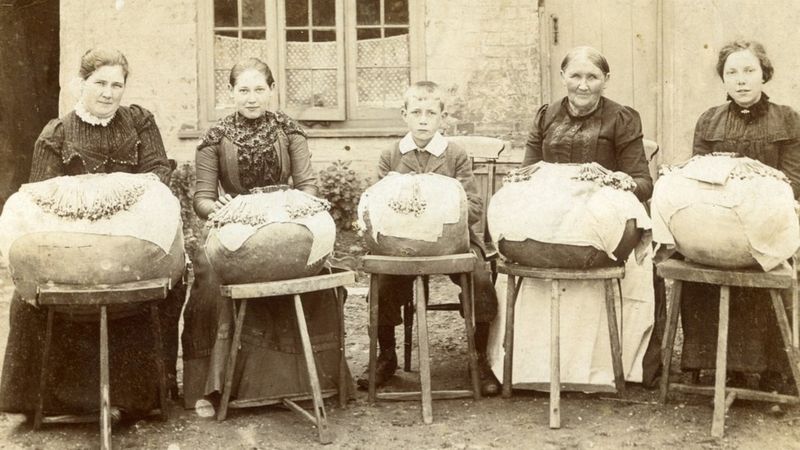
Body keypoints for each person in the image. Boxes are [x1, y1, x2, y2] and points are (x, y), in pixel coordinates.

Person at [0, 48, 184, 419]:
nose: (108, 93)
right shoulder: (57, 132)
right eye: (99, 83)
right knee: (32, 298)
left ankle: (138, 398)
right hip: (76, 242)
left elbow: (158, 175)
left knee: (167, 281)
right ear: (80, 83)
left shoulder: (139, 123)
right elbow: (42, 199)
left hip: (129, 241)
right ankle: (50, 398)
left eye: (117, 84)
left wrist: (119, 201)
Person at [181, 57, 351, 412]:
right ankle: (212, 388)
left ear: (272, 91)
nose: (252, 98)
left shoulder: (290, 131)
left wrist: (284, 208)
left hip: (286, 215)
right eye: (243, 90)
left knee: (316, 264)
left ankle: (318, 380)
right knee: (211, 274)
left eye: (259, 89)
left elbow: (308, 187)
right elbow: (202, 200)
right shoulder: (215, 138)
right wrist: (224, 210)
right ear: (231, 93)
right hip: (235, 222)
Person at [487, 46, 656, 390]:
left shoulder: (622, 118)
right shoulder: (546, 115)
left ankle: (614, 368)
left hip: (598, 219)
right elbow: (528, 172)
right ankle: (522, 369)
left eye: (592, 77)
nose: (583, 85)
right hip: (552, 215)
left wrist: (618, 183)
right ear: (562, 77)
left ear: (605, 80)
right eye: (575, 76)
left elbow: (643, 182)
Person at [356, 81, 500, 396]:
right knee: (382, 277)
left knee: (479, 277)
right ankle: (386, 355)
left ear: (441, 117)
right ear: (404, 115)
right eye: (416, 112)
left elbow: (473, 206)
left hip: (453, 240)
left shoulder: (455, 154)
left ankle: (478, 358)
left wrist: (438, 218)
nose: (423, 120)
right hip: (401, 244)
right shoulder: (391, 155)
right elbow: (378, 206)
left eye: (431, 113)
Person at [679, 40, 800, 393]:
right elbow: (697, 174)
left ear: (764, 74)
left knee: (768, 265)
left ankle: (773, 372)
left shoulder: (788, 119)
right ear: (723, 79)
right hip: (719, 222)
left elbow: (793, 181)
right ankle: (718, 366)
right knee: (700, 256)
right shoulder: (709, 120)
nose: (741, 80)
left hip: (769, 222)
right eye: (732, 72)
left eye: (749, 71)